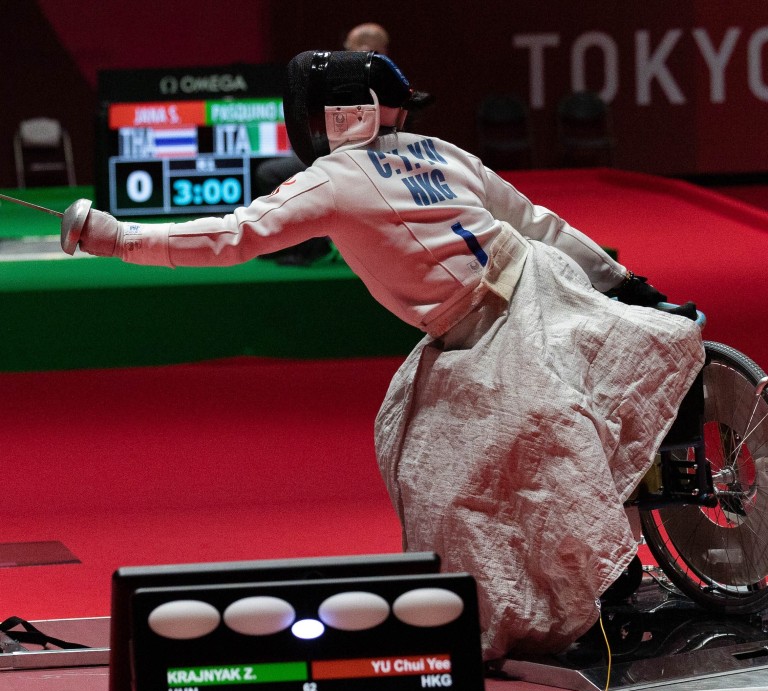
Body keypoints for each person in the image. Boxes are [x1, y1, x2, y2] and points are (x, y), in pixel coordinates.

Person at [61, 50, 704, 660]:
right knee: (420, 457)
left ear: (342, 113)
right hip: (480, 324)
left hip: (526, 307)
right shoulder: (424, 156)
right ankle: (503, 608)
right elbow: (540, 222)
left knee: (538, 441)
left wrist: (119, 239)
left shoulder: (341, 178)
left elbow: (233, 235)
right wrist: (620, 281)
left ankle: (608, 588)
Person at [255, 22, 391, 264]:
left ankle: (315, 246)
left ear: (371, 49)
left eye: (352, 49)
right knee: (270, 172)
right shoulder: (349, 79)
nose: (348, 54)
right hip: (334, 153)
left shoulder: (382, 85)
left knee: (282, 175)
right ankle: (286, 243)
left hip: (360, 159)